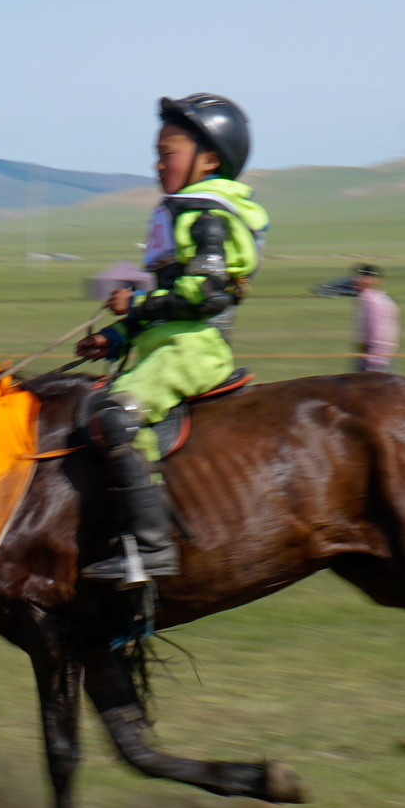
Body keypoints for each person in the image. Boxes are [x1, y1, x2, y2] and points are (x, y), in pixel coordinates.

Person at [72, 93, 269, 584]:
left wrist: (134, 306)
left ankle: (153, 547)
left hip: (195, 349)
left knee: (117, 416)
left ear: (209, 159)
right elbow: (166, 298)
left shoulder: (208, 216)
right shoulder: (179, 215)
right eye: (157, 154)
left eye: (169, 153)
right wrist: (115, 338)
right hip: (165, 345)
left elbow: (205, 295)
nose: (158, 164)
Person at [348, 264, 398, 373]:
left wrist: (366, 354)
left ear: (376, 280)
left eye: (365, 276)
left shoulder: (371, 302)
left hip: (372, 361)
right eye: (358, 275)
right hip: (383, 358)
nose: (359, 279)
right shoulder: (382, 299)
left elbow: (376, 335)